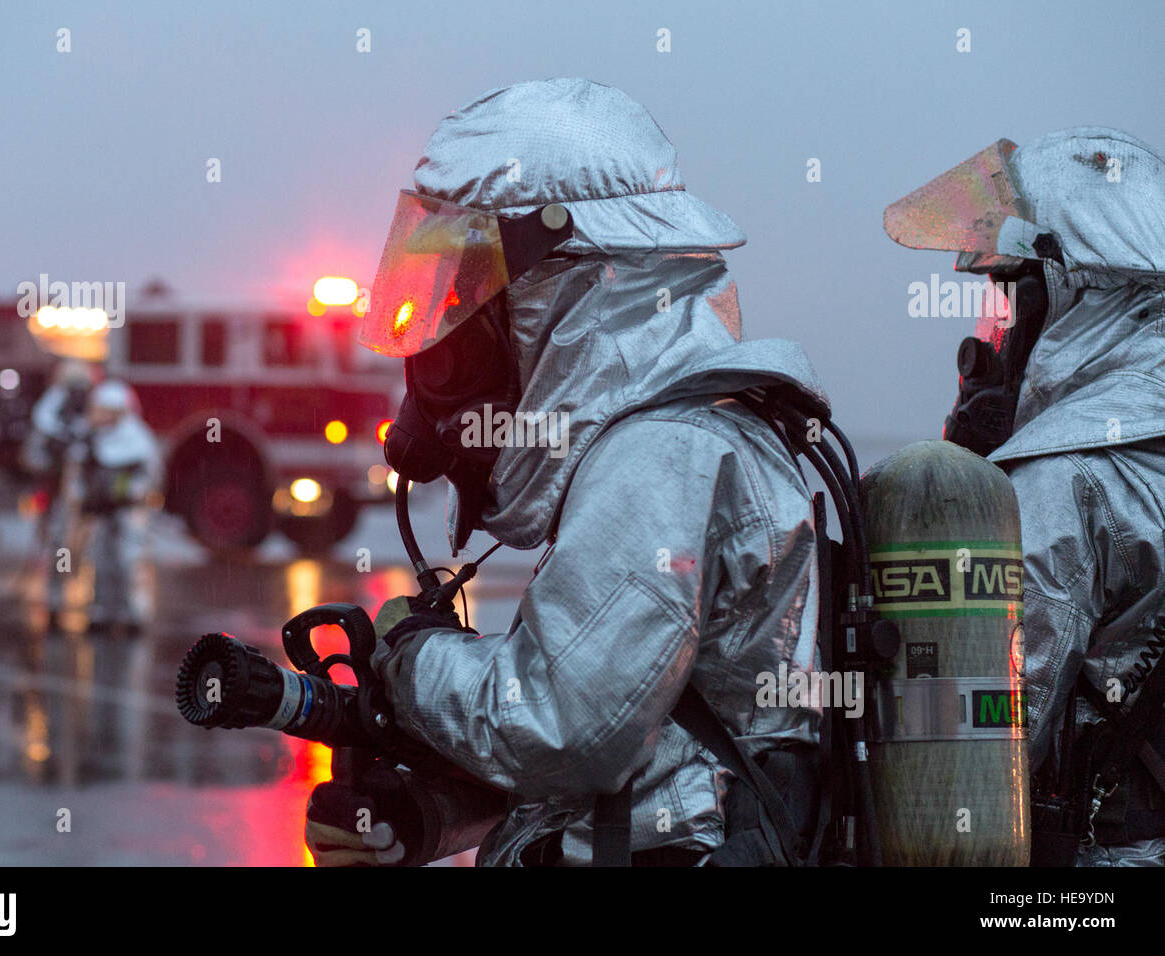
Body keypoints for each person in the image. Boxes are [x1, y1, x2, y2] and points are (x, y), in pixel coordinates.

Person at [304, 78, 830, 867]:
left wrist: (408, 656)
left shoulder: (663, 456)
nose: (443, 351)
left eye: (465, 300)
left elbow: (557, 725)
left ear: (559, 291)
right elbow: (645, 763)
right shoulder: (677, 440)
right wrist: (429, 817)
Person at [884, 128, 1165, 865]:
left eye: (1003, 308)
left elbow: (989, 737)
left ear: (1074, 298)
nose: (989, 340)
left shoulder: (1059, 482)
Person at [79, 379, 161, 637]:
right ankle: (101, 613)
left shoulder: (138, 439)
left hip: (129, 512)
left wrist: (131, 495)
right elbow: (81, 473)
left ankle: (133, 615)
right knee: (100, 563)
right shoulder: (92, 438)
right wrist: (87, 498)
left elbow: (151, 476)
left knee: (130, 563)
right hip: (101, 512)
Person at [20, 359, 95, 630]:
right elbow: (33, 456)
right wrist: (56, 452)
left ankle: (96, 608)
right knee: (58, 547)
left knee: (86, 551)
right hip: (59, 500)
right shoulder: (48, 416)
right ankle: (54, 603)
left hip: (86, 501)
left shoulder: (91, 414)